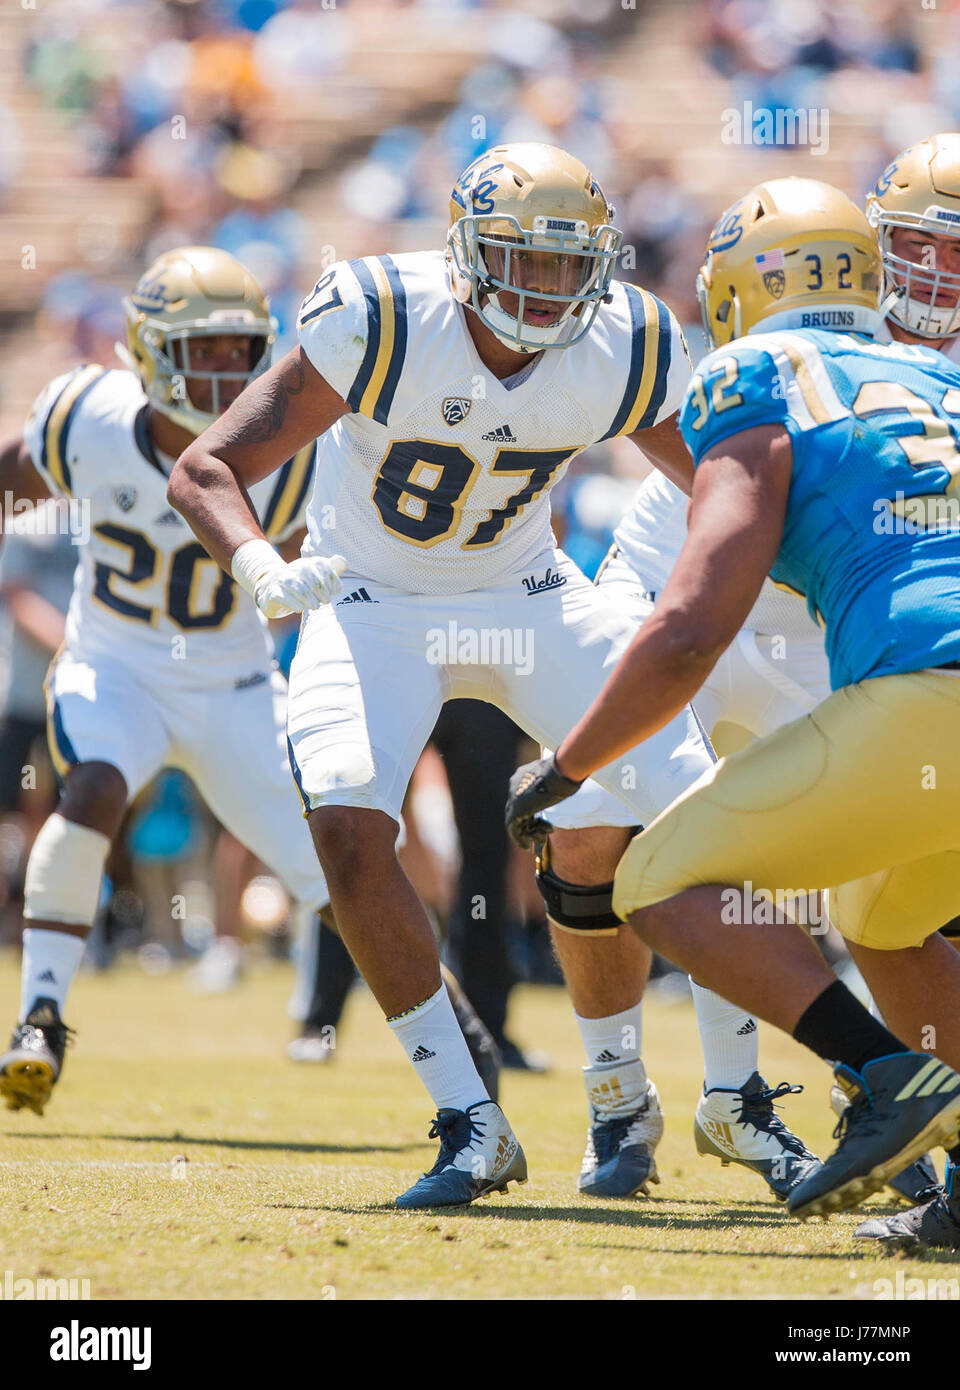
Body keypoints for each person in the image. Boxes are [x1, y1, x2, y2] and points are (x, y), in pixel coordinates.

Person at [168, 141, 754, 1209]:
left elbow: (728, 486)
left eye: (564, 265)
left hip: (526, 593)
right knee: (347, 830)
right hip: (368, 598)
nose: (541, 287)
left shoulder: (624, 341)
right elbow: (206, 466)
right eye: (518, 260)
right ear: (465, 251)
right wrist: (260, 561)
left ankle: (735, 1097)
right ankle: (469, 1121)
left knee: (693, 803)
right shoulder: (384, 315)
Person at [505, 175, 960, 1225]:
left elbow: (692, 626)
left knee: (658, 878)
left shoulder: (755, 372)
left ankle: (887, 1076)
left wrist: (566, 767)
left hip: (925, 691)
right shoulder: (932, 376)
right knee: (887, 923)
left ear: (741, 288)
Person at [0, 246, 330, 1115]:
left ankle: (458, 1045)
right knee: (94, 789)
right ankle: (39, 1014)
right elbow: (11, 481)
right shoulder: (87, 419)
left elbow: (331, 558)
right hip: (117, 666)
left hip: (236, 685)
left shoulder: (289, 450)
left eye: (240, 349)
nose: (226, 371)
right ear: (149, 352)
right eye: (203, 350)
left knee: (341, 864)